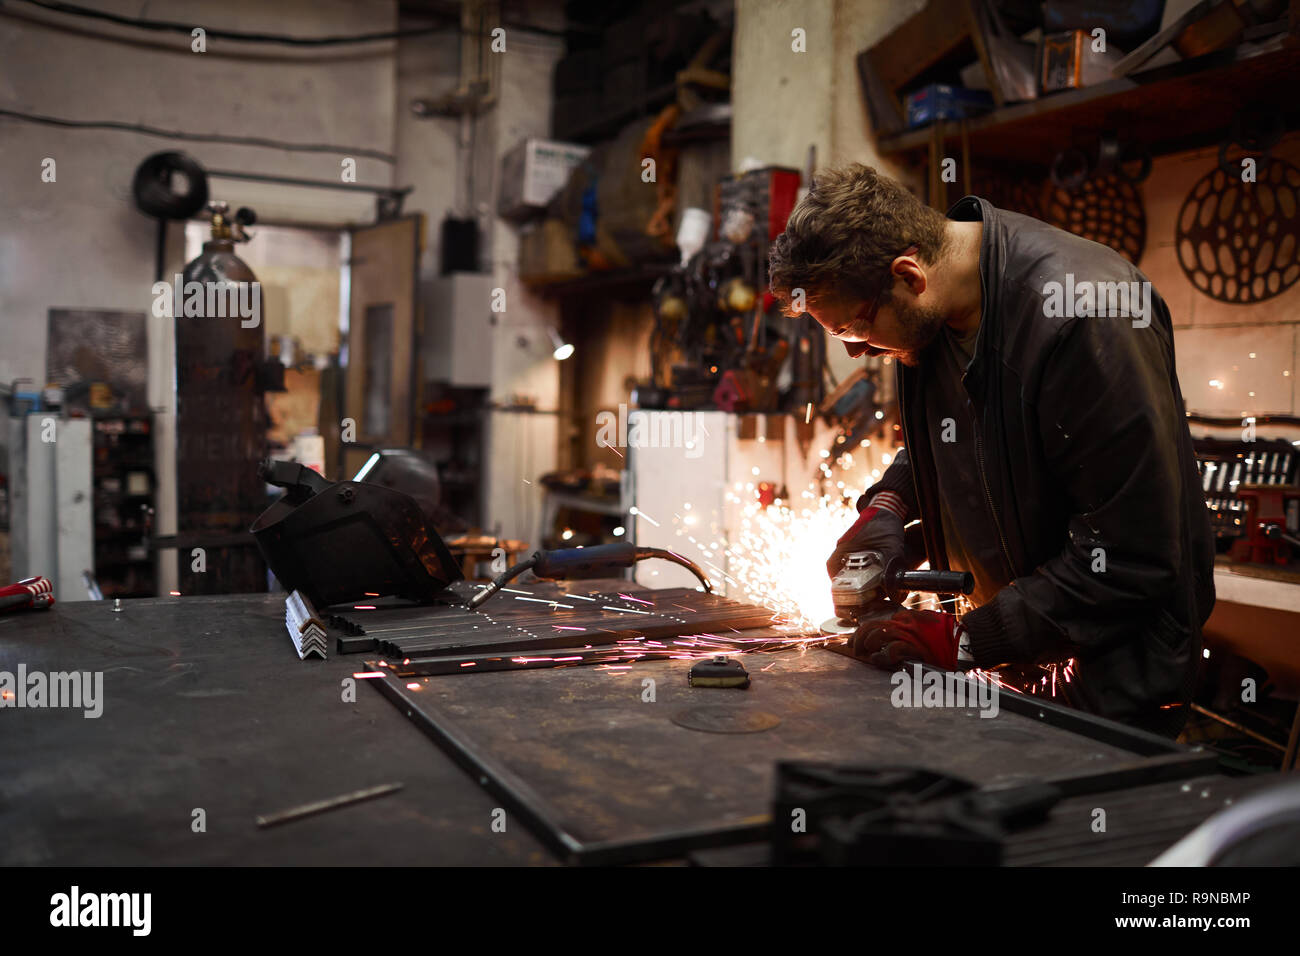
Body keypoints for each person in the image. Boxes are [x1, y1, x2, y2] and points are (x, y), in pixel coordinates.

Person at [768, 163, 1215, 737]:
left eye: (854, 329)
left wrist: (968, 639)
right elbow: (962, 431)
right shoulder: (933, 319)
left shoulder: (1086, 316)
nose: (856, 353)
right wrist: (889, 505)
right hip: (1014, 657)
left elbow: (1132, 555)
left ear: (909, 275)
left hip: (1110, 679)